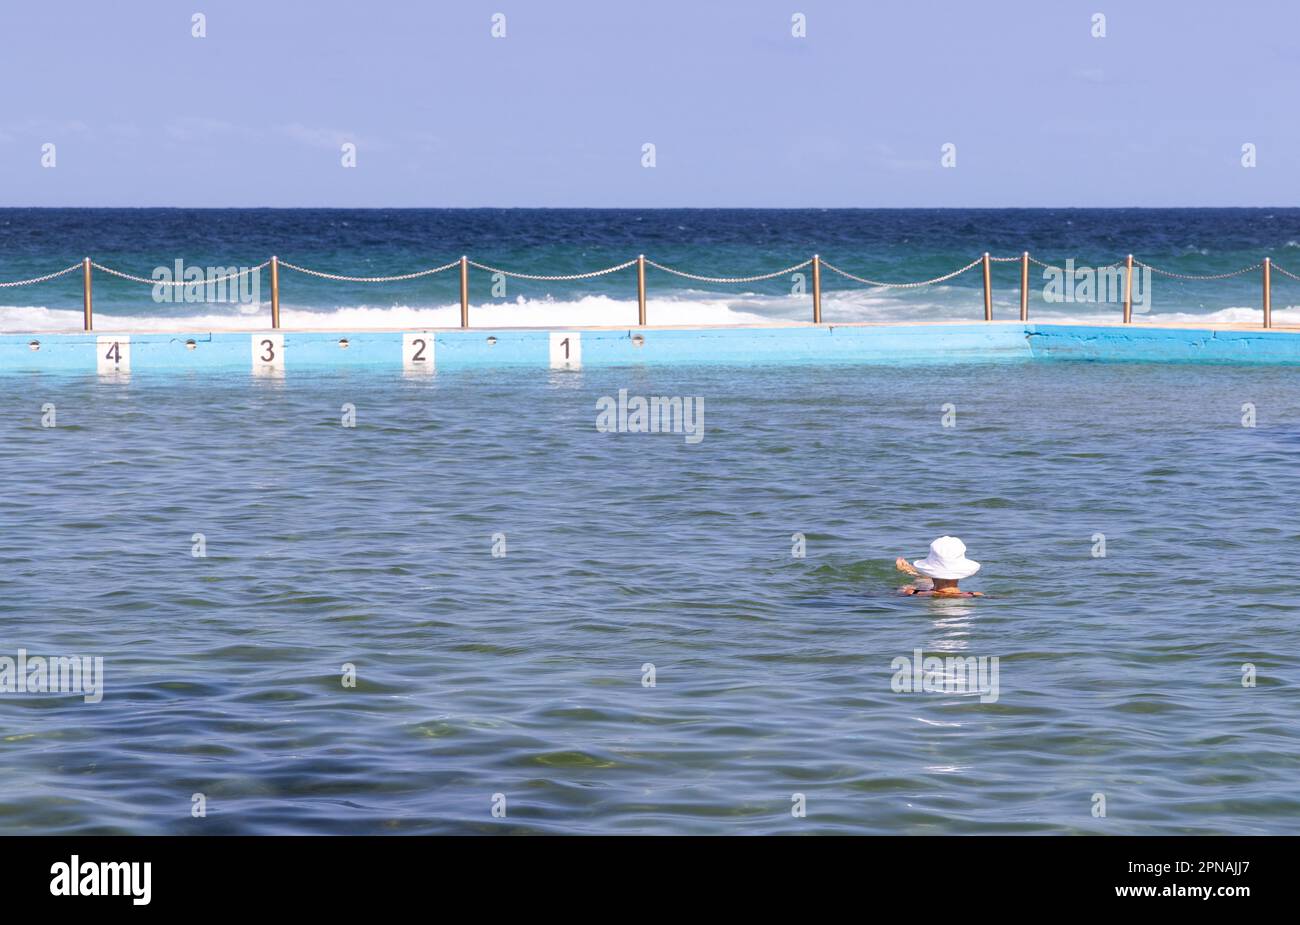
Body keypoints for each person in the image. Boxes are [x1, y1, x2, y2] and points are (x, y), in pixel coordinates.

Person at [896, 536, 983, 597]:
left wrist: (904, 591)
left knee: (922, 583)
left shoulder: (911, 592)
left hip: (925, 591)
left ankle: (915, 572)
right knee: (925, 582)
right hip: (929, 590)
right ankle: (917, 573)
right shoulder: (976, 595)